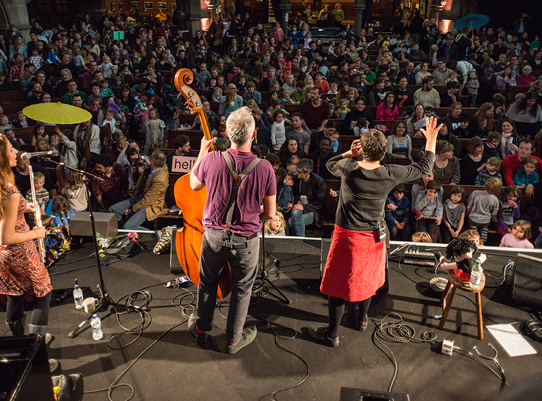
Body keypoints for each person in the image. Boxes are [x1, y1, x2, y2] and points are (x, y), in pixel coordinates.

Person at [307, 117, 441, 347]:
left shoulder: (349, 168)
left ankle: (332, 335)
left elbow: (330, 166)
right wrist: (431, 139)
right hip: (373, 237)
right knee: (367, 280)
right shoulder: (390, 172)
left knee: (338, 287)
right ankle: (362, 319)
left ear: (361, 148)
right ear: (384, 152)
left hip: (347, 237)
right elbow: (425, 167)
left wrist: (349, 154)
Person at [188, 107, 277, 354]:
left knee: (207, 284)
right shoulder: (265, 168)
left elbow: (193, 184)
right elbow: (270, 214)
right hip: (246, 241)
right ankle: (233, 341)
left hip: (214, 236)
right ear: (254, 135)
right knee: (241, 290)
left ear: (227, 132)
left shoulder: (212, 160)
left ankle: (202, 331)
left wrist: (202, 152)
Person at [0, 133, 56, 370]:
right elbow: (9, 237)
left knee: (14, 293)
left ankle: (20, 343)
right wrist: (36, 234)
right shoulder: (10, 192)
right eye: (10, 150)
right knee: (42, 293)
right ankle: (36, 351)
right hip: (18, 250)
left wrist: (21, 208)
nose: (16, 153)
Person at [108, 150, 169, 230]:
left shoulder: (160, 179)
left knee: (128, 227)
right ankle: (123, 234)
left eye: (150, 158)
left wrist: (132, 210)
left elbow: (148, 200)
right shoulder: (157, 167)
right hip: (139, 198)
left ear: (153, 162)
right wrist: (148, 164)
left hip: (150, 205)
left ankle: (155, 236)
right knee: (113, 210)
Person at [287, 158, 326, 236]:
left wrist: (304, 207)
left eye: (299, 172)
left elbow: (320, 203)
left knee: (292, 219)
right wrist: (298, 201)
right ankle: (299, 240)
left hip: (314, 212)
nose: (297, 173)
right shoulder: (298, 180)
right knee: (292, 218)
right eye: (297, 170)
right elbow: (296, 194)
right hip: (301, 206)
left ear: (308, 173)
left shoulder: (318, 181)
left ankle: (300, 240)